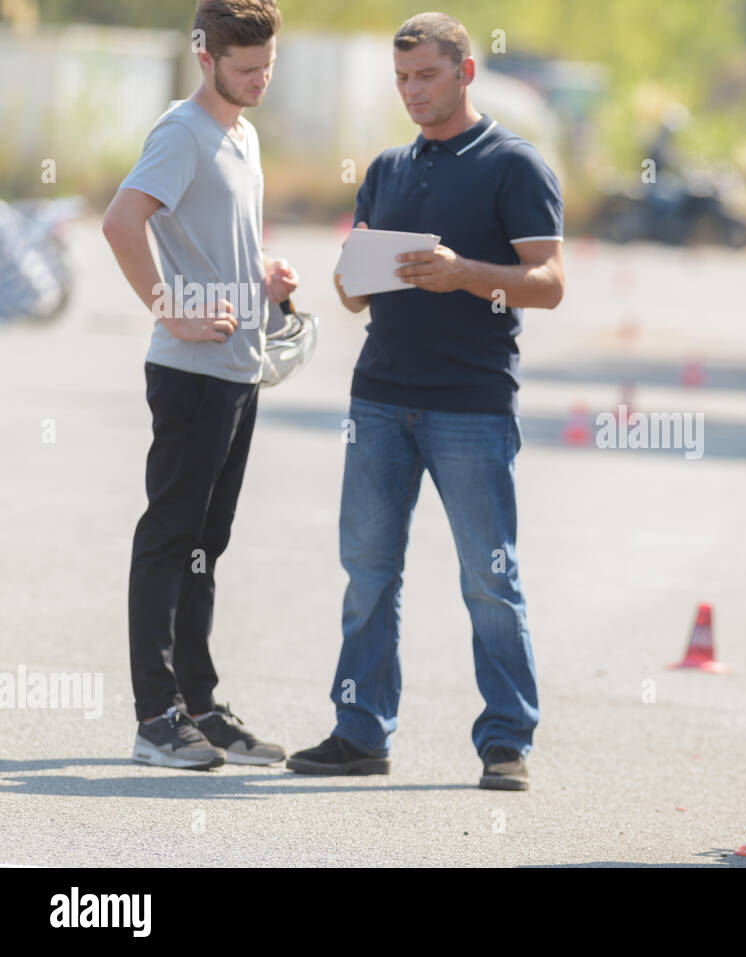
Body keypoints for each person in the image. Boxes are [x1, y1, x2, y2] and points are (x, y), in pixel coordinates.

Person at [287, 12, 564, 791]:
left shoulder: (516, 165)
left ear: (466, 73)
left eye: (427, 77)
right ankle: (359, 732)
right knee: (368, 574)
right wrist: (348, 273)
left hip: (471, 404)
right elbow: (349, 294)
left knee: (488, 578)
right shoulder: (385, 167)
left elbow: (549, 284)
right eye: (402, 79)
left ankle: (506, 740)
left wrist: (464, 272)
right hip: (378, 398)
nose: (412, 91)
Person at [102, 0, 295, 769]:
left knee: (205, 547)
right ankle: (157, 719)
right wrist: (171, 311)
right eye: (245, 69)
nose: (259, 81)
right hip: (190, 373)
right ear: (205, 57)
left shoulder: (242, 132)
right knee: (169, 540)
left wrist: (265, 276)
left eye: (268, 68)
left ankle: (202, 708)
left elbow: (215, 239)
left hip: (239, 368)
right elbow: (122, 222)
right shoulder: (182, 133)